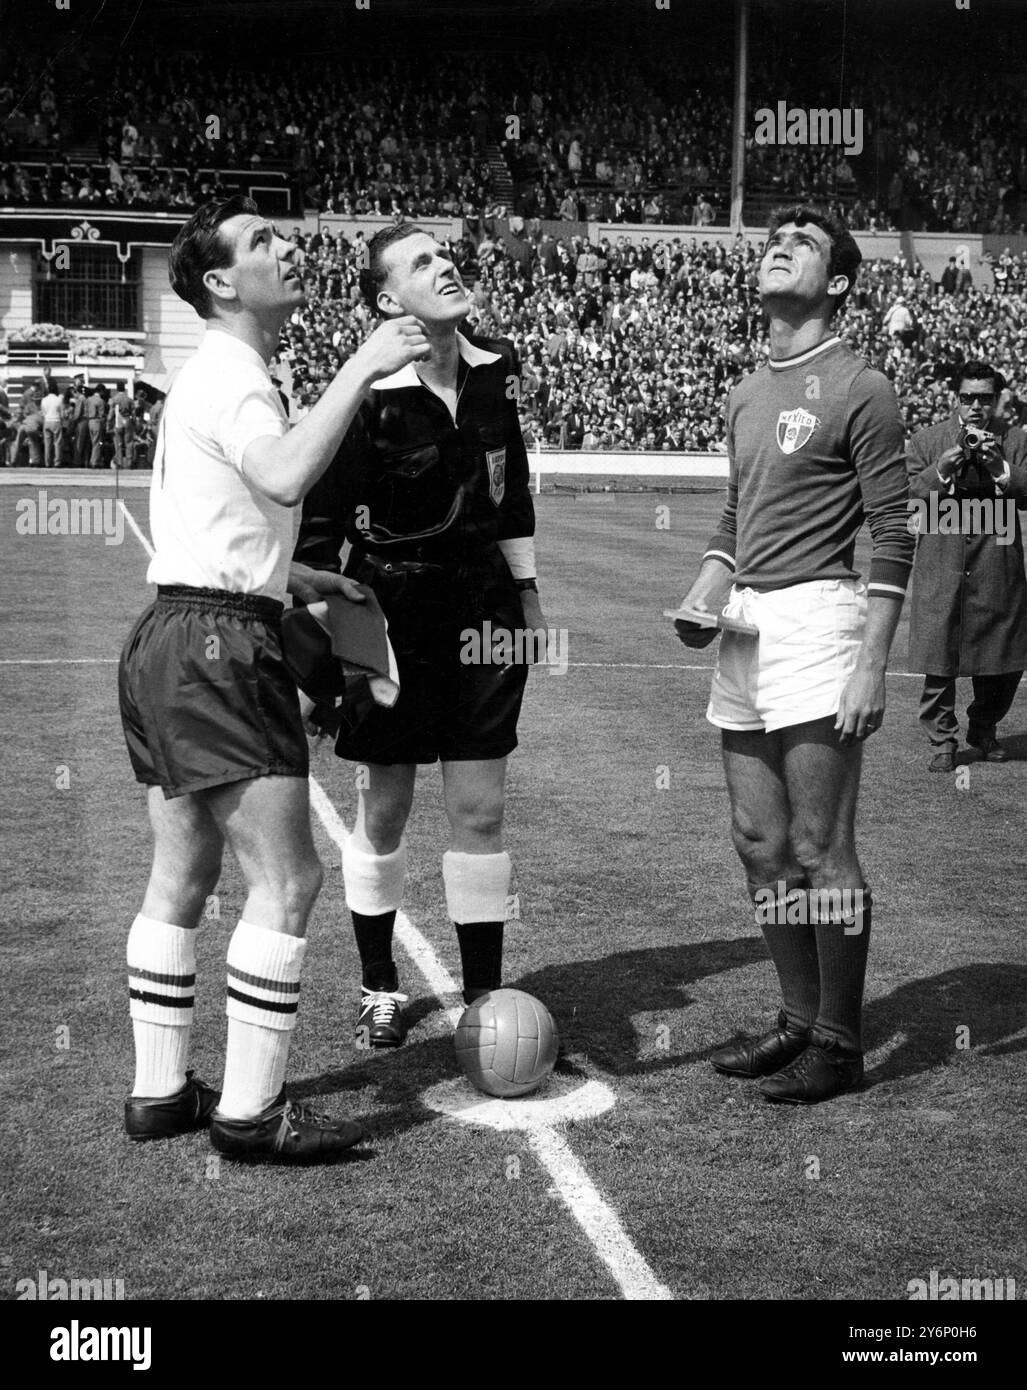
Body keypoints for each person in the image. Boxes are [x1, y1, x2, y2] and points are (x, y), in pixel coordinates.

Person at [118, 196, 429, 1161]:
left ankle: (161, 1095)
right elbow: (289, 475)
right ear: (220, 283)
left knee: (183, 873)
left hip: (171, 634)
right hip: (218, 645)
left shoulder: (213, 374)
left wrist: (295, 576)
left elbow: (220, 518)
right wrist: (365, 364)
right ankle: (252, 1115)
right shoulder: (237, 375)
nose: (286, 250)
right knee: (288, 879)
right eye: (262, 243)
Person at [674, 205, 914, 1105]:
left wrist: (871, 662)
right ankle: (795, 1018)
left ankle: (841, 1044)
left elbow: (892, 532)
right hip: (744, 622)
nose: (778, 247)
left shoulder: (863, 386)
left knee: (819, 845)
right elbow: (735, 520)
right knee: (757, 841)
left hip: (820, 620)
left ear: (840, 282)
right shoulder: (744, 390)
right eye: (773, 239)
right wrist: (705, 591)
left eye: (803, 244)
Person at [295, 223, 546, 1049]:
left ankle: (483, 998)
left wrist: (527, 596)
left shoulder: (492, 373)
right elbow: (319, 536)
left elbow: (510, 500)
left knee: (480, 809)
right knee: (387, 809)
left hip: (482, 612)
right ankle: (378, 985)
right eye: (421, 262)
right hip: (387, 615)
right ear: (384, 299)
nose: (446, 267)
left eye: (446, 255)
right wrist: (332, 651)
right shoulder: (363, 392)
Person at [906, 362, 1027, 770]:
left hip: (998, 559)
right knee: (939, 656)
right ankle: (942, 741)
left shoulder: (1016, 440)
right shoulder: (927, 440)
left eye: (985, 398)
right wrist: (941, 469)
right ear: (955, 398)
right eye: (968, 398)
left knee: (1004, 659)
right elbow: (909, 496)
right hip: (942, 559)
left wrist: (1000, 470)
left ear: (996, 400)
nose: (976, 407)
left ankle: (983, 726)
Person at [41, 383, 63, 467]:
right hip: (56, 420)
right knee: (57, 443)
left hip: (47, 421)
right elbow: (61, 413)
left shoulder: (44, 400)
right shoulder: (58, 399)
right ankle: (57, 462)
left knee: (47, 443)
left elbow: (43, 412)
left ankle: (47, 462)